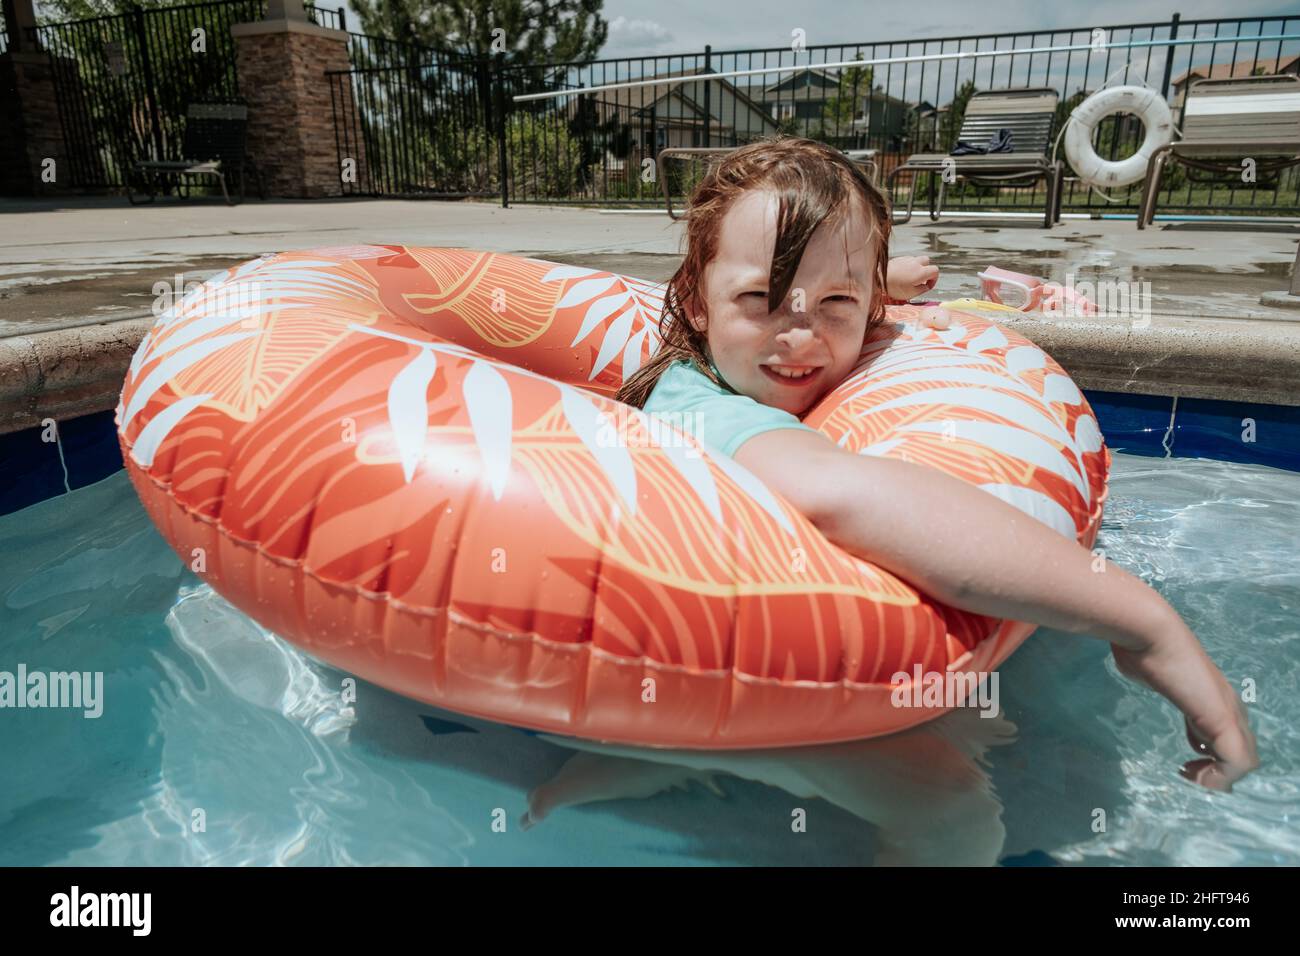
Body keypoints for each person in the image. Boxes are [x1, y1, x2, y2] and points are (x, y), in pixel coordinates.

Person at [615, 135, 1258, 791]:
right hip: (698, 694)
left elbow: (811, 294)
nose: (799, 336)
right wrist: (1147, 625)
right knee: (950, 808)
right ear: (696, 302)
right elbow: (839, 494)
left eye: (836, 301)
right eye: (759, 298)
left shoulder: (748, 363)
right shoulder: (705, 416)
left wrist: (884, 293)